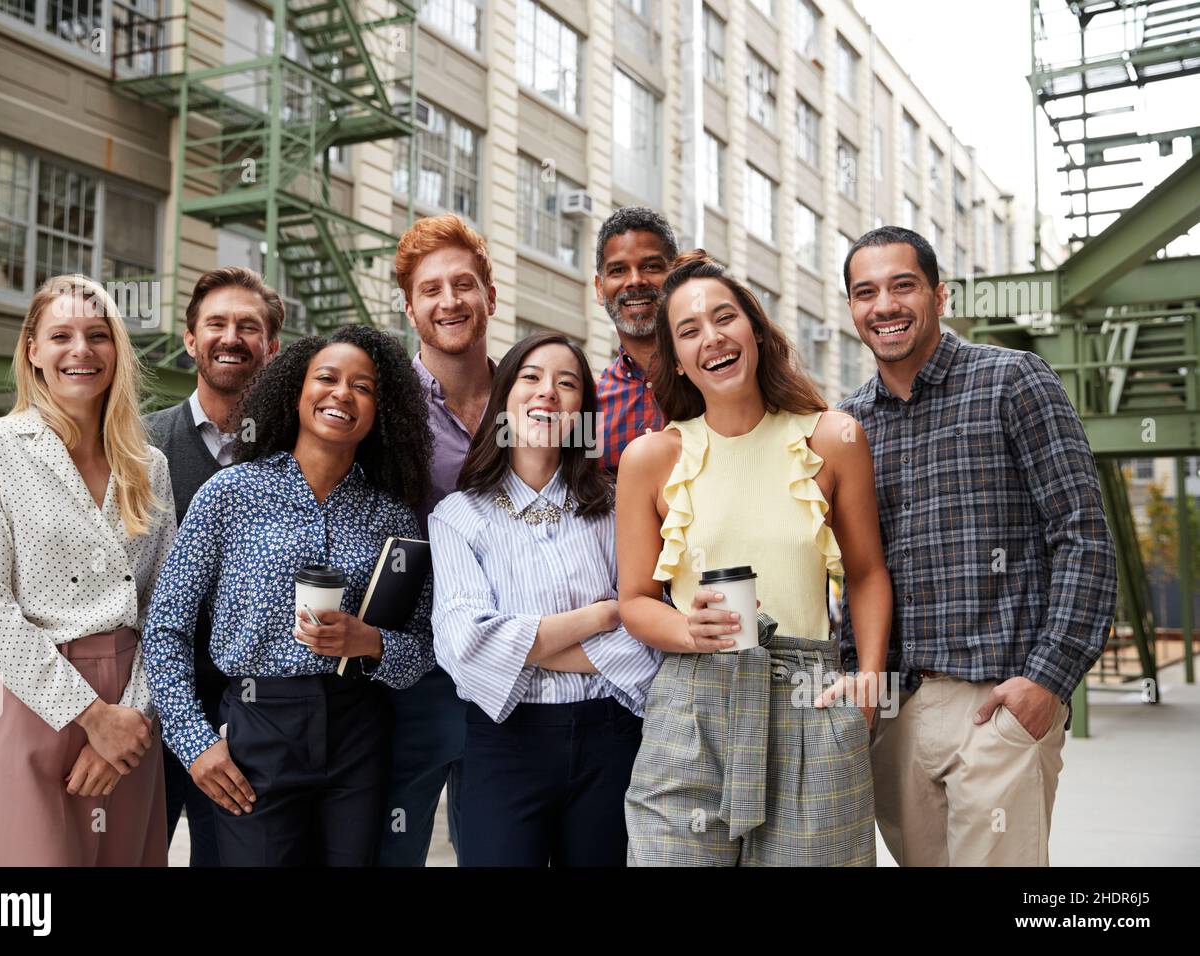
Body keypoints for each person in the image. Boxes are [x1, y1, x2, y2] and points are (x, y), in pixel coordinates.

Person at [837, 226, 1117, 866]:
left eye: (902, 285)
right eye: (865, 292)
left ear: (941, 295)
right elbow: (852, 571)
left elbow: (1083, 537)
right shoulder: (847, 424)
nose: (884, 305)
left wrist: (1046, 682)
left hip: (997, 705)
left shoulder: (1014, 381)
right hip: (895, 714)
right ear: (852, 309)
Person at [617, 251, 892, 866]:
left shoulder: (833, 438)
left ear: (758, 332)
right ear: (679, 362)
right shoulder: (650, 460)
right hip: (691, 706)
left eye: (724, 318)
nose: (711, 338)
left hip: (809, 701)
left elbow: (868, 574)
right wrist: (688, 628)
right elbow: (633, 601)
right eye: (689, 332)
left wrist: (869, 680)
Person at [142, 326, 435, 866]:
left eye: (363, 387)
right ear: (295, 391)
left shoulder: (390, 516)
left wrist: (371, 643)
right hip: (259, 725)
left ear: (381, 410)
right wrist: (195, 743)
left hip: (358, 731)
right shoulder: (231, 494)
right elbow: (166, 627)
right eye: (326, 378)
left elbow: (421, 647)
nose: (342, 393)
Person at [0, 274, 175, 866]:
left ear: (117, 350)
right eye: (62, 335)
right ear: (33, 349)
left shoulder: (148, 465)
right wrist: (90, 716)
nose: (81, 350)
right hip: (35, 693)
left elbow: (165, 608)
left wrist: (130, 719)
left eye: (98, 335)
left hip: (133, 703)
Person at [430, 331, 661, 866]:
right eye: (531, 378)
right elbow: (465, 647)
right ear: (504, 397)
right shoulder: (458, 517)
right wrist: (603, 614)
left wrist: (517, 643)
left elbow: (646, 644)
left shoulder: (615, 504)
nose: (547, 394)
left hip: (613, 735)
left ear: (584, 409)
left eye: (567, 383)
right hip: (505, 742)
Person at [142, 266, 283, 867]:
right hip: (148, 711)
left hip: (256, 725)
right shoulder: (138, 447)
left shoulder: (294, 457)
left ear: (272, 347)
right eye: (216, 324)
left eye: (248, 327)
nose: (231, 337)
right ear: (190, 339)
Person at [376, 214, 497, 866]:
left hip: (512, 663)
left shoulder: (531, 400)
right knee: (395, 850)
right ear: (411, 308)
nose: (449, 301)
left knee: (499, 846)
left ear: (490, 296)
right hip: (413, 671)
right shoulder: (382, 410)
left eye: (463, 284)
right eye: (431, 290)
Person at [594, 206, 678, 472]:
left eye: (651, 266)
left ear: (676, 276)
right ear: (599, 288)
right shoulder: (587, 406)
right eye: (618, 270)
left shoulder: (715, 380)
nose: (635, 281)